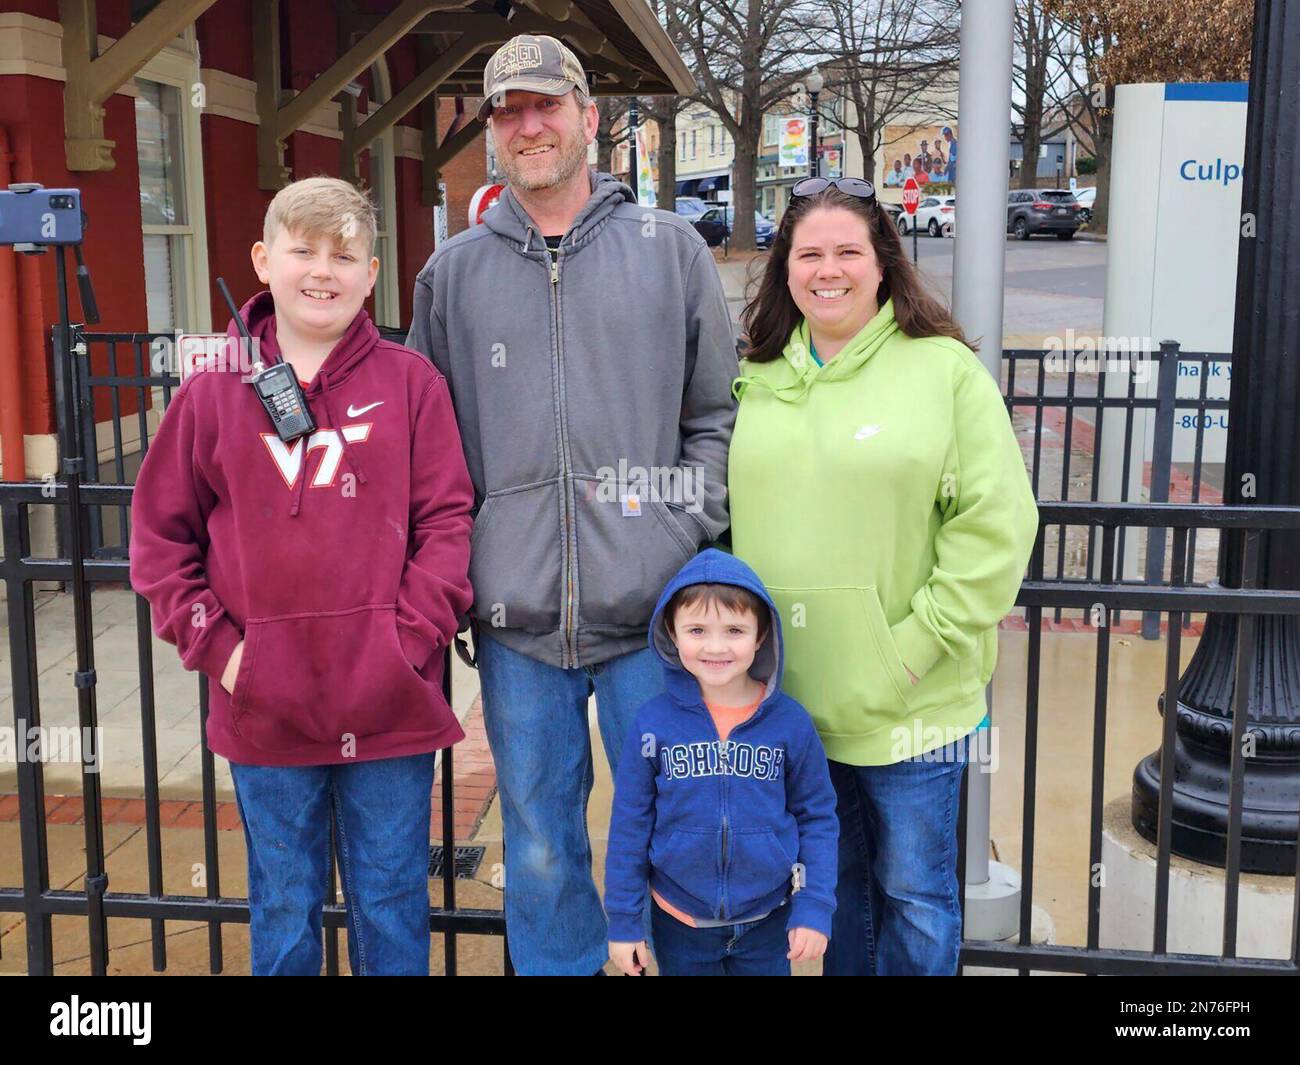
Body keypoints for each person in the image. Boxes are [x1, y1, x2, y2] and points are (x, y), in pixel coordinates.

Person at [407, 34, 737, 975]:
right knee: (542, 848)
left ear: (590, 118)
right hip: (518, 627)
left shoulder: (669, 251)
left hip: (651, 620)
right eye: (509, 112)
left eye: (546, 106)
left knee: (678, 830)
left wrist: (674, 527)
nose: (529, 125)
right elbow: (430, 451)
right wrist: (471, 555)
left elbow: (716, 417)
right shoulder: (453, 276)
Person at [130, 177, 475, 975]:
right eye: (303, 250)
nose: (323, 271)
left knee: (391, 900)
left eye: (344, 255)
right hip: (267, 706)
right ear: (263, 259)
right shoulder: (212, 391)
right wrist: (225, 653)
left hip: (391, 703)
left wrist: (408, 639)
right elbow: (159, 539)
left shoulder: (413, 383)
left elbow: (448, 523)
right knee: (284, 907)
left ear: (372, 271)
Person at [728, 176, 1038, 975]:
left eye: (847, 252)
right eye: (809, 254)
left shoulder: (944, 372)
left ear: (882, 263)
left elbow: (998, 525)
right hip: (795, 708)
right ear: (785, 270)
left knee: (915, 899)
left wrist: (912, 647)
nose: (827, 270)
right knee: (836, 899)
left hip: (913, 706)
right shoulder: (757, 377)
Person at [604, 549, 838, 976]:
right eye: (697, 629)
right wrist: (623, 922)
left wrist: (814, 902)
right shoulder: (652, 724)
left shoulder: (790, 724)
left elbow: (817, 817)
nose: (715, 647)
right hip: (680, 922)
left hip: (769, 919)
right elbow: (629, 825)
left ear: (762, 634)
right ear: (672, 634)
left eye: (734, 629)